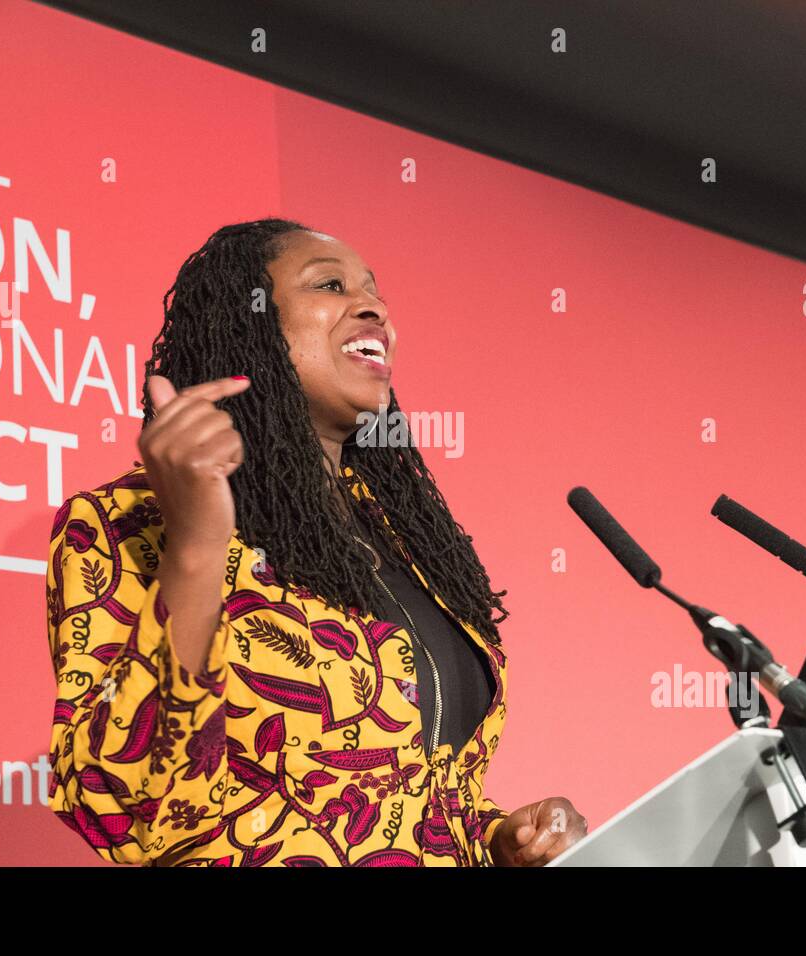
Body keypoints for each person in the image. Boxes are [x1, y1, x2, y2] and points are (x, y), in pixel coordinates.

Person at [45, 218, 587, 866]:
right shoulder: (129, 523)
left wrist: (497, 836)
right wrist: (196, 546)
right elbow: (123, 810)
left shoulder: (400, 538)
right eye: (330, 285)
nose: (374, 308)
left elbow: (398, 797)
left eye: (375, 292)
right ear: (248, 327)